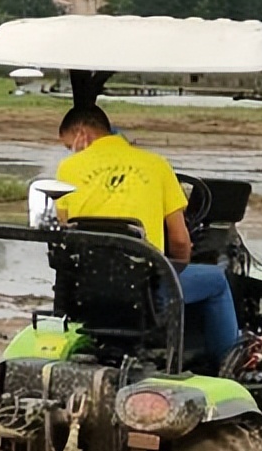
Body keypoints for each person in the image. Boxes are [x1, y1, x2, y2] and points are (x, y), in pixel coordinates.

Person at [53, 105, 239, 363]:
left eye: (68, 145)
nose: (70, 151)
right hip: (144, 294)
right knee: (217, 281)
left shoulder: (67, 169)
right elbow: (180, 241)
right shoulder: (156, 165)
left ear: (82, 135)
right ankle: (228, 363)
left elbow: (68, 232)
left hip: (86, 293)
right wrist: (173, 273)